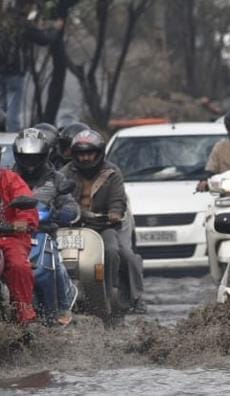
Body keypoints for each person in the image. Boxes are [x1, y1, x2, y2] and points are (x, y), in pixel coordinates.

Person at [61, 129, 145, 313]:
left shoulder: (112, 172)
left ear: (99, 153)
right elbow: (57, 197)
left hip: (101, 227)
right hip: (69, 228)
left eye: (89, 153)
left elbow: (118, 199)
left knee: (116, 252)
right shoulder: (64, 173)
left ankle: (118, 295)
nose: (85, 159)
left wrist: (114, 213)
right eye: (81, 154)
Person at [12, 128, 79, 326]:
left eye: (35, 157)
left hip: (43, 234)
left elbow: (70, 205)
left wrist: (64, 213)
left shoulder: (57, 179)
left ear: (45, 155)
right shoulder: (8, 177)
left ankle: (60, 308)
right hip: (11, 234)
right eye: (25, 157)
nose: (30, 163)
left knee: (51, 266)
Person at [0, 0, 62, 131]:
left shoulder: (5, 20)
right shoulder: (23, 24)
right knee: (13, 107)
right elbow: (44, 39)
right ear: (27, 6)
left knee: (2, 106)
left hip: (1, 69)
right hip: (16, 71)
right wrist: (55, 29)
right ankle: (11, 138)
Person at [0, 165, 40, 324]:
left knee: (19, 266)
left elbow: (26, 203)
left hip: (9, 236)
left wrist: (23, 221)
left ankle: (24, 315)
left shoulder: (10, 179)